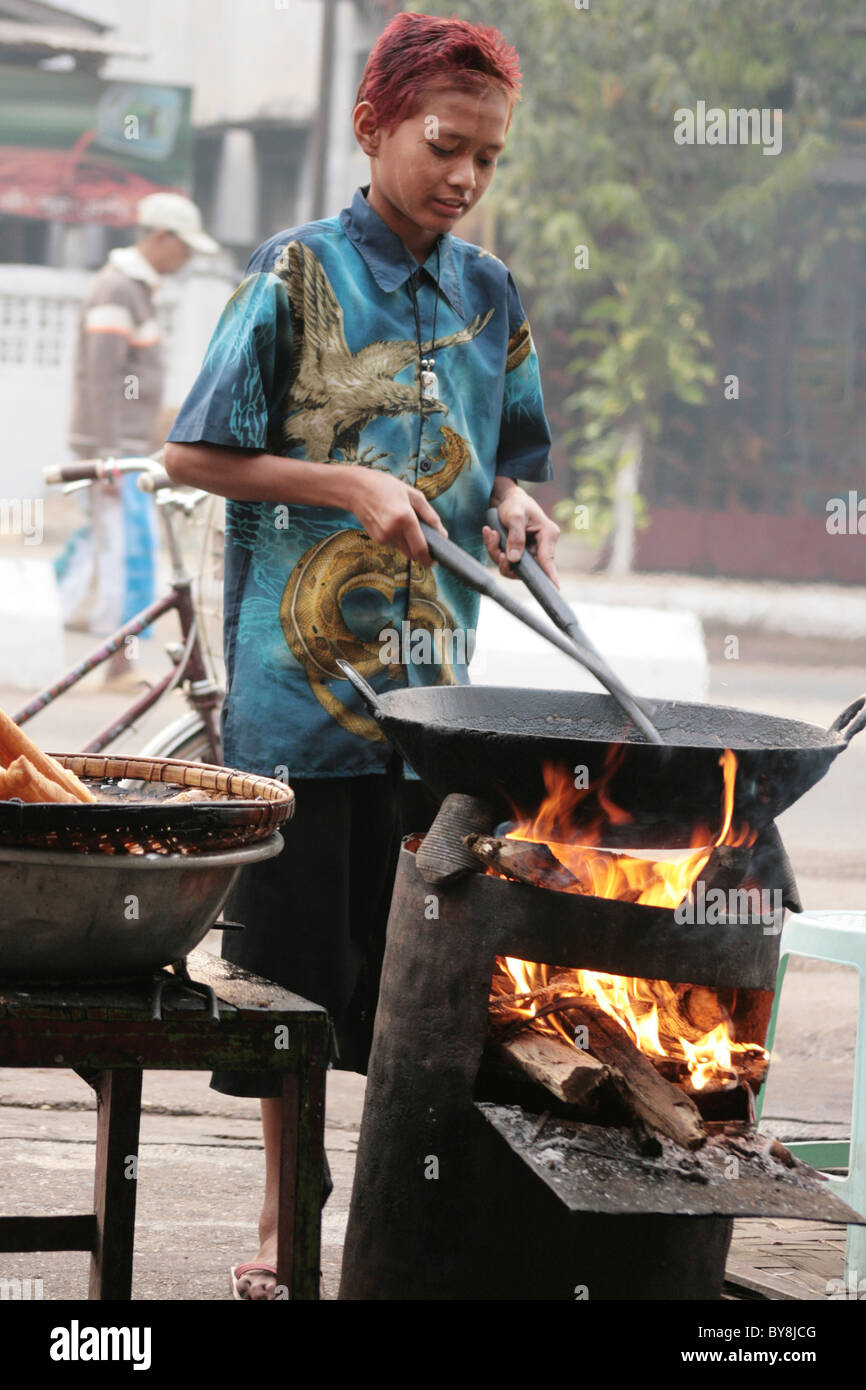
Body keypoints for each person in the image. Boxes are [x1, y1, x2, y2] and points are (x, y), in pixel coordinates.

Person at [163, 12, 560, 1300]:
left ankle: (406, 1232)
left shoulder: (489, 291)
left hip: (437, 712)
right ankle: (287, 1225)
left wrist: (515, 502)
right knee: (291, 996)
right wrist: (339, 484)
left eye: (486, 160)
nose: (463, 177)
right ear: (372, 127)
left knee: (424, 997)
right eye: (445, 146)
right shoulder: (294, 274)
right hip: (300, 708)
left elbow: (518, 448)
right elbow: (192, 454)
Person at [58, 193, 218, 681]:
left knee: (98, 547)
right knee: (131, 553)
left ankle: (43, 629)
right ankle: (118, 666)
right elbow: (103, 379)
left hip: (123, 447)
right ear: (159, 237)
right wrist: (108, 456)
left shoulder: (136, 290)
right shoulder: (119, 290)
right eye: (183, 247)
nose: (187, 258)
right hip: (116, 452)